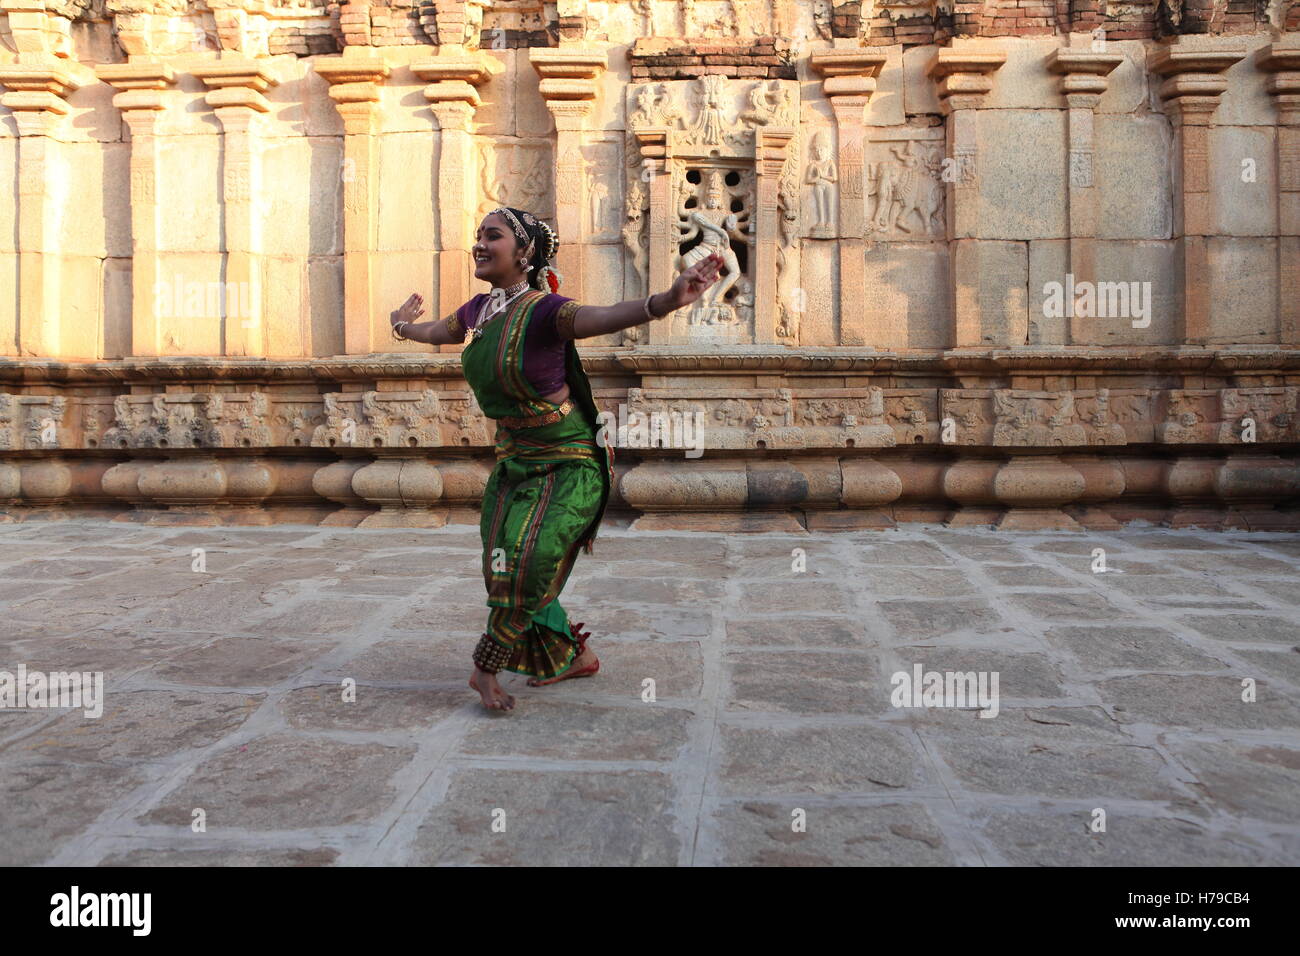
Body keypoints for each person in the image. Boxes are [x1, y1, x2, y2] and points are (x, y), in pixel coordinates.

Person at [389, 206, 722, 711]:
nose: (479, 243)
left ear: (524, 253)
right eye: (477, 235)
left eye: (492, 236)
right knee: (501, 563)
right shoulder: (477, 313)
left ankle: (486, 668)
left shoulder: (547, 311)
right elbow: (437, 333)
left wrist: (667, 301)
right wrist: (401, 328)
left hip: (569, 460)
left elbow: (605, 316)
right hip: (514, 458)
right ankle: (570, 655)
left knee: (528, 559)